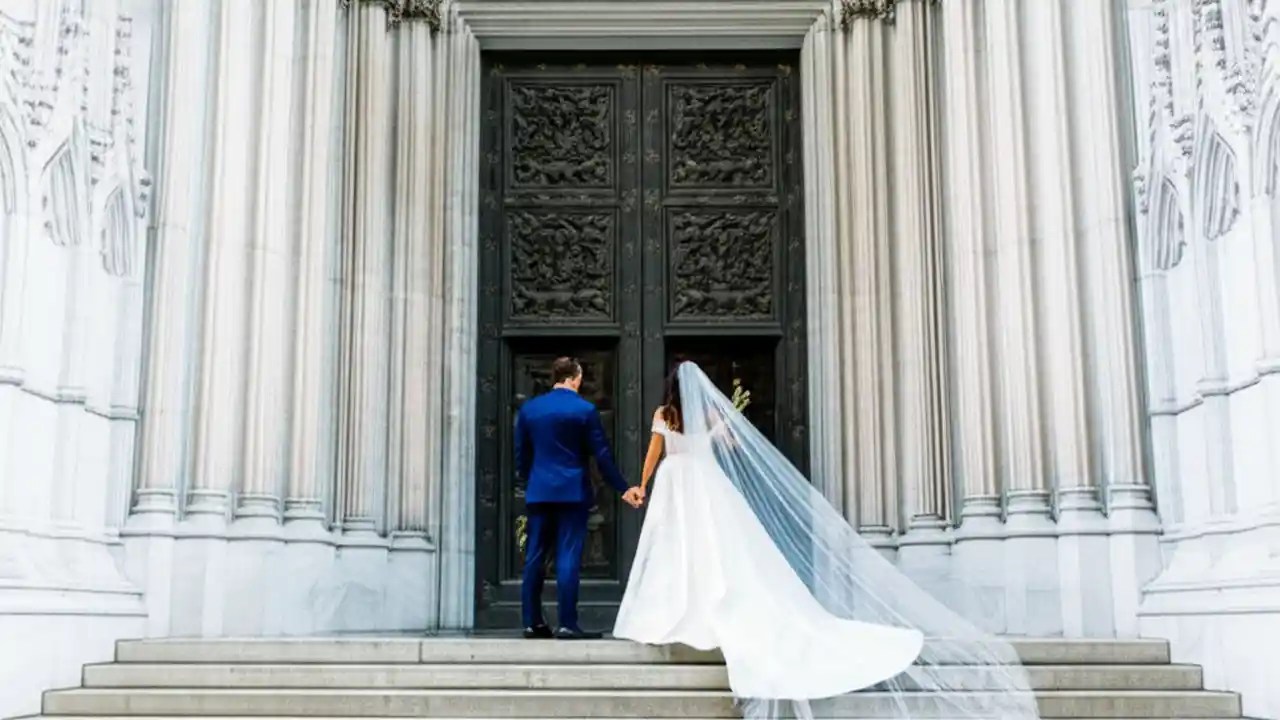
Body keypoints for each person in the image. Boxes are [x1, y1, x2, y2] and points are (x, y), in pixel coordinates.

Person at [614, 361, 1040, 720]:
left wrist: (642, 484)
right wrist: (730, 418)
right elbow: (728, 445)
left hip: (677, 484)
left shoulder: (663, 415)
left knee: (678, 551)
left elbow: (655, 456)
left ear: (669, 388)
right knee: (720, 552)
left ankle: (671, 613)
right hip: (707, 486)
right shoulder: (707, 417)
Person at [515, 357, 644, 641]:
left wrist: (530, 481)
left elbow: (522, 455)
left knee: (535, 556)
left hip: (540, 491)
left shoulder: (530, 409)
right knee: (568, 556)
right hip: (572, 491)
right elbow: (602, 455)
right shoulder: (584, 410)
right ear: (576, 378)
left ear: (554, 377)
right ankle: (567, 623)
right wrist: (623, 487)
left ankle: (531, 622)